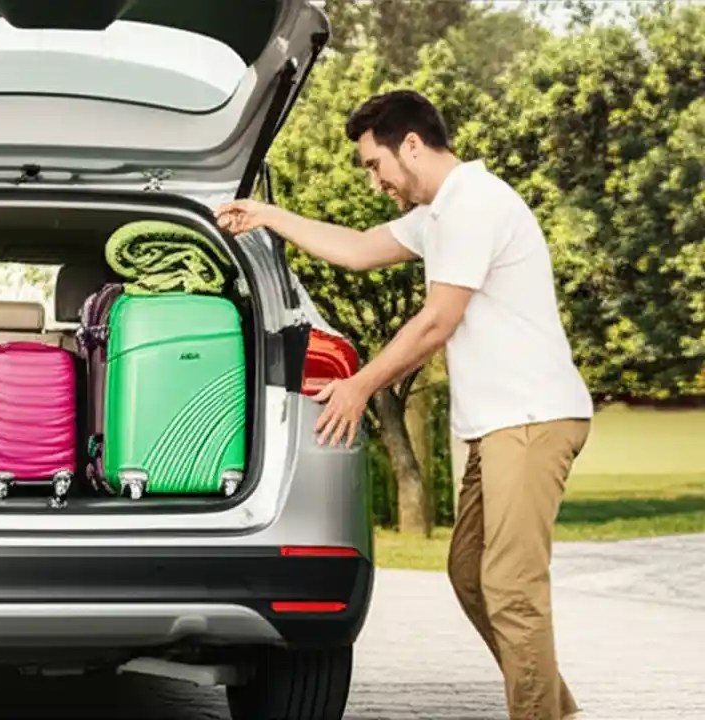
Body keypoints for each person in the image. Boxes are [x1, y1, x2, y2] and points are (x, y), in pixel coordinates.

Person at [215, 90, 594, 720]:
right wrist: (269, 216)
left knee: (510, 589)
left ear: (410, 144)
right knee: (472, 572)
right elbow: (361, 249)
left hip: (531, 419)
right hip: (503, 425)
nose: (375, 180)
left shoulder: (475, 204)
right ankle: (559, 711)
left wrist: (361, 384)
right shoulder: (441, 212)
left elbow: (437, 321)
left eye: (374, 164)